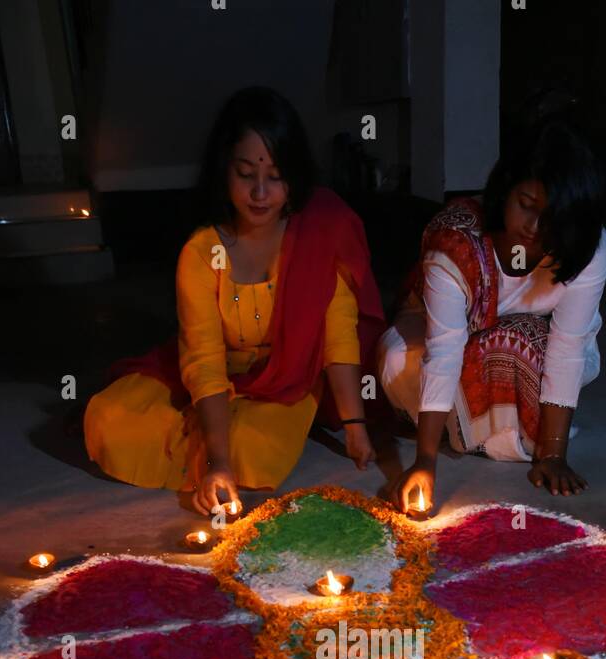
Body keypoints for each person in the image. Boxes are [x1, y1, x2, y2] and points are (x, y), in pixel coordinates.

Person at [84, 87, 384, 516]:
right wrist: (216, 463)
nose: (260, 192)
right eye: (246, 174)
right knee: (110, 419)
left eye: (276, 175)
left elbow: (338, 335)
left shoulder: (319, 234)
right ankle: (210, 446)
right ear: (224, 172)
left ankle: (217, 445)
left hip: (285, 383)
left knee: (256, 451)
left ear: (295, 176)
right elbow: (204, 358)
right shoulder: (203, 251)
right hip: (213, 378)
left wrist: (355, 426)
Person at [378, 103, 606, 507]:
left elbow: (568, 345)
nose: (535, 229)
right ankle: (473, 429)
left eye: (553, 216)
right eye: (526, 204)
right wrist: (425, 461)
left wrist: (553, 453)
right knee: (397, 361)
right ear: (505, 187)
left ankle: (480, 428)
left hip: (531, 347)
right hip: (453, 344)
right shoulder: (455, 245)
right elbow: (445, 349)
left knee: (526, 343)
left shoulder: (586, 246)